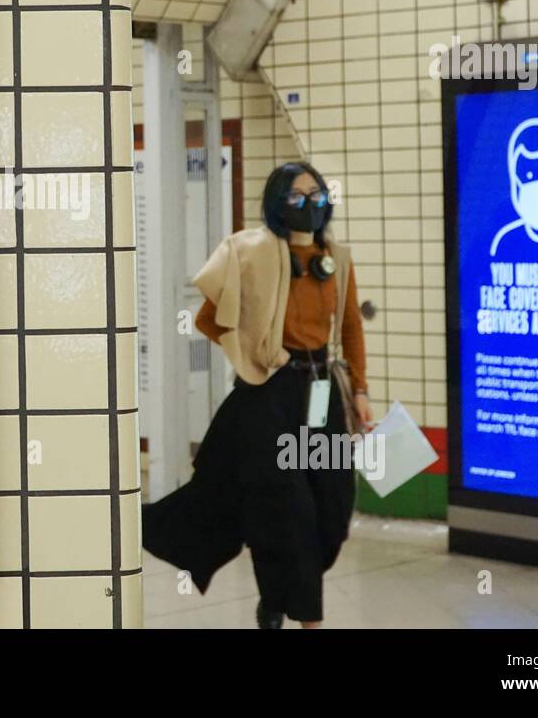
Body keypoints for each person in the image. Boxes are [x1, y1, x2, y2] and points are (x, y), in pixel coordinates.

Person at [142, 161, 372, 628]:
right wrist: (251, 354)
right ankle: (300, 615)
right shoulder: (254, 255)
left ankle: (280, 594)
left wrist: (362, 392)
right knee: (289, 515)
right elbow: (209, 318)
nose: (310, 204)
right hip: (269, 399)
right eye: (297, 197)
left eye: (318, 195)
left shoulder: (338, 260)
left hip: (321, 394)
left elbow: (350, 329)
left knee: (331, 514)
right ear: (277, 203)